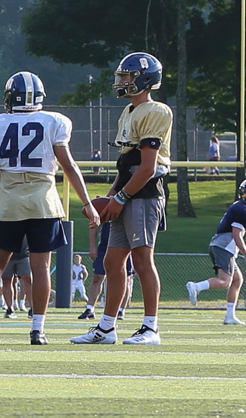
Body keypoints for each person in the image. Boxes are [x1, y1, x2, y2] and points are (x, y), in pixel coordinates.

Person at [0, 71, 99, 346]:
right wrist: (88, 203)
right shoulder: (54, 121)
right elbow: (69, 166)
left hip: (10, 199)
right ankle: (38, 329)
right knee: (41, 267)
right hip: (43, 200)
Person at [72, 52, 171, 346]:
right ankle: (106, 328)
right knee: (113, 261)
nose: (124, 81)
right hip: (127, 192)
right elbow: (126, 162)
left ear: (145, 79)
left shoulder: (156, 111)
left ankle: (151, 327)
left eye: (128, 76)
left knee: (142, 260)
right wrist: (112, 195)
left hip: (144, 193)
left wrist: (122, 197)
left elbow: (148, 166)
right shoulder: (128, 112)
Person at [187, 178, 246, 325]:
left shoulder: (239, 206)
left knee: (237, 279)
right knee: (224, 282)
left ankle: (230, 316)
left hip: (219, 244)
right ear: (243, 193)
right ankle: (196, 287)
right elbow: (236, 235)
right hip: (224, 246)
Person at [80, 216, 134, 319]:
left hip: (125, 245)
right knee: (98, 277)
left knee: (125, 278)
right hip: (105, 246)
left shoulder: (130, 205)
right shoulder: (106, 205)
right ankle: (90, 308)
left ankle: (121, 310)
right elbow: (94, 226)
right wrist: (92, 246)